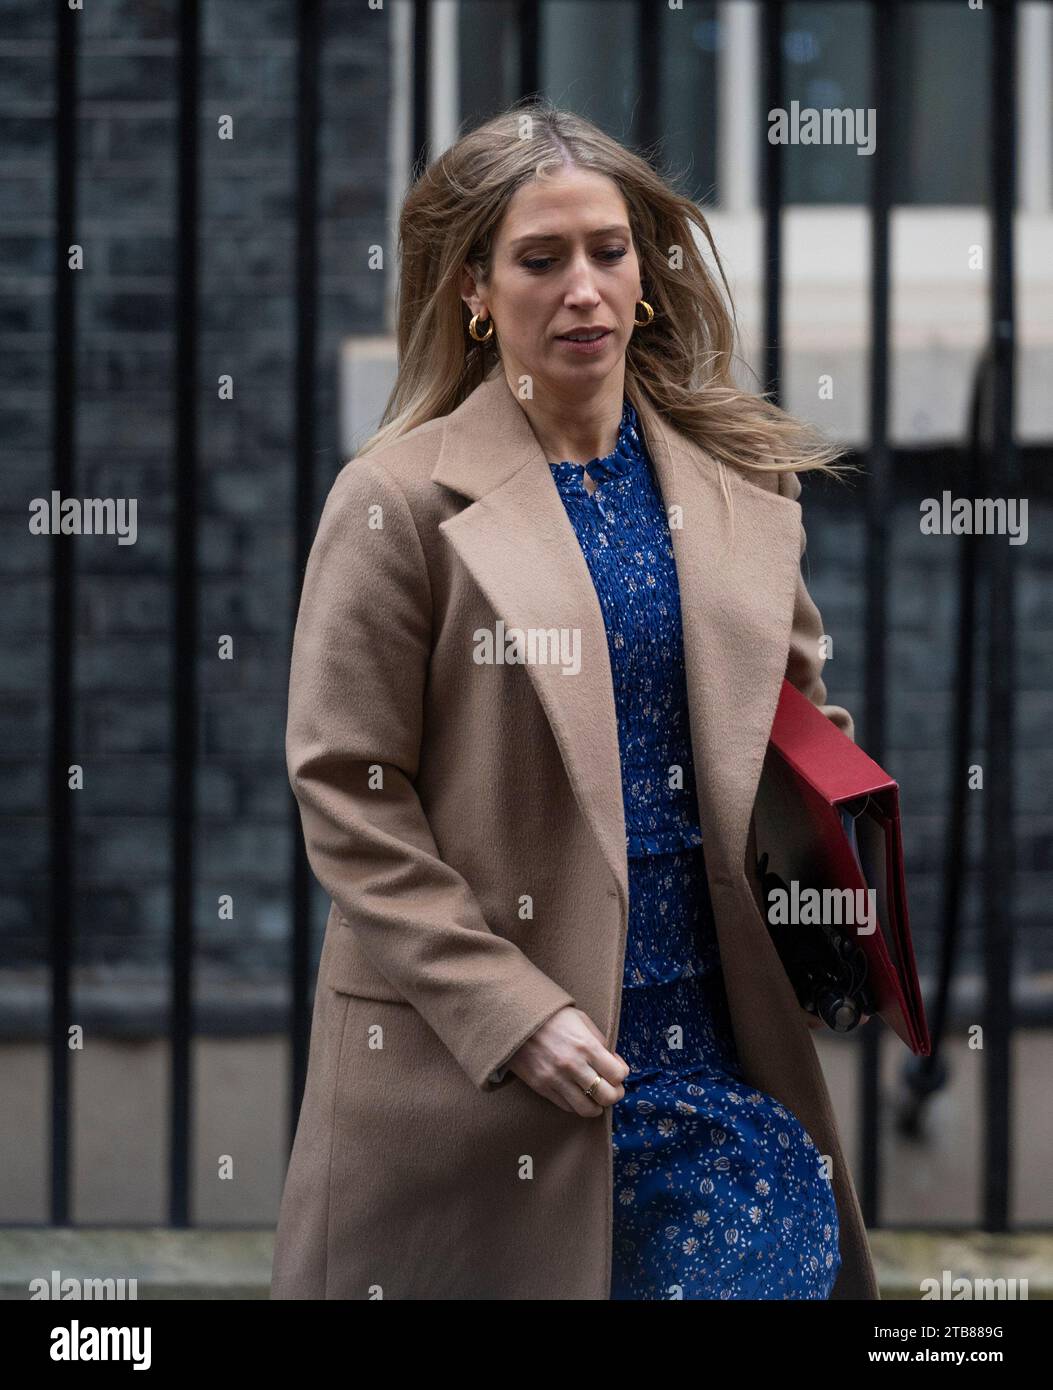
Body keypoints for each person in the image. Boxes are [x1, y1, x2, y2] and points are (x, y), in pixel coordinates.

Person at [270, 99, 879, 1301]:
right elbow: (349, 791)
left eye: (608, 252)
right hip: (492, 1073)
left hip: (716, 1061)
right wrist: (511, 1012)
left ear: (646, 275)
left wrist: (832, 872)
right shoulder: (399, 502)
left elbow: (796, 722)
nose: (585, 288)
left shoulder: (736, 482)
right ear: (475, 291)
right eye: (541, 260)